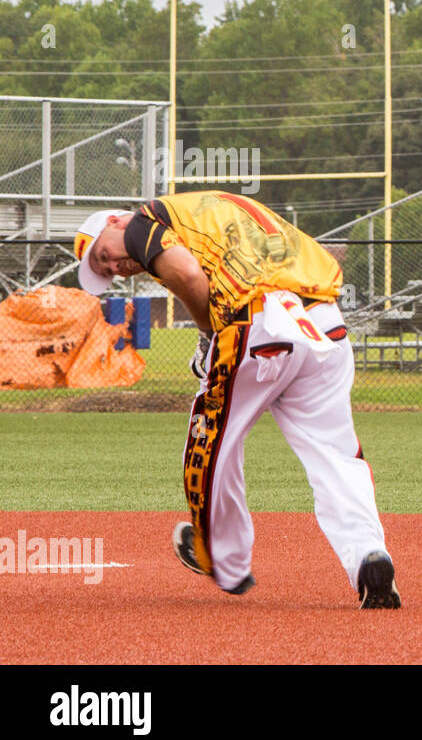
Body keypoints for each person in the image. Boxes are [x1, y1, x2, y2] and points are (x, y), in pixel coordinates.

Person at [74, 190, 401, 607]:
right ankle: (370, 558)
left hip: (257, 322)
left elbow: (188, 276)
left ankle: (222, 556)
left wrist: (210, 335)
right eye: (110, 272)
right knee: (337, 454)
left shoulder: (141, 222)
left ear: (114, 222)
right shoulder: (211, 207)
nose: (116, 267)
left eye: (105, 256)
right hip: (323, 320)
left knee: (211, 444)